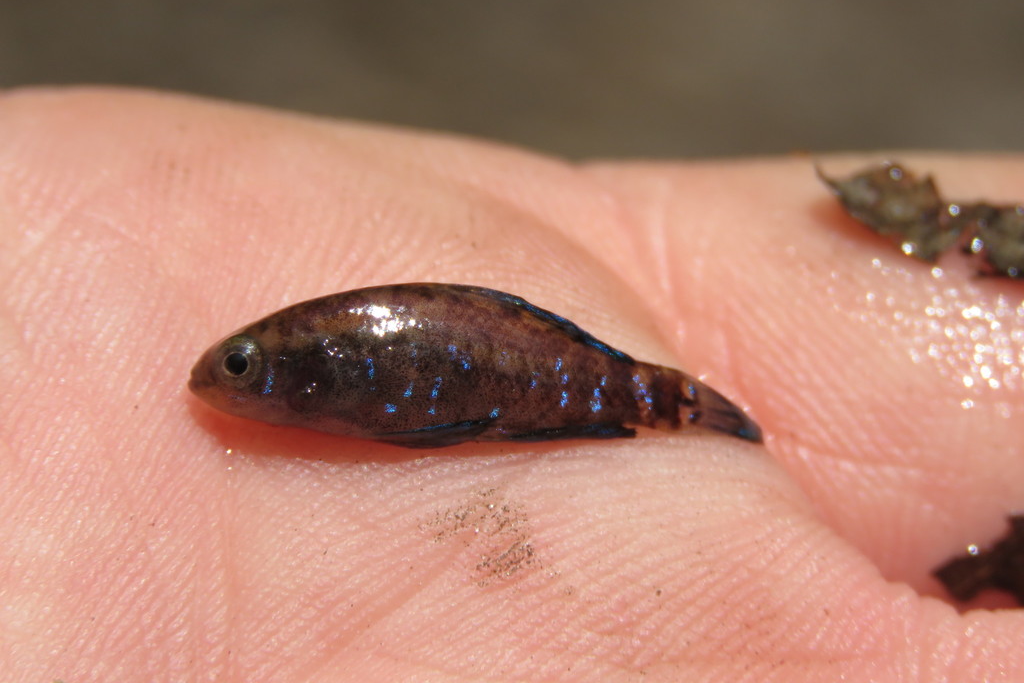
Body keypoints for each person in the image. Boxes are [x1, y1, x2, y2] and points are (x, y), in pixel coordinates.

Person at [2, 87, 1021, 681]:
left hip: (568, 388)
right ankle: (665, 407)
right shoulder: (294, 374)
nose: (224, 382)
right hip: (550, 389)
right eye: (238, 365)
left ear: (293, 372)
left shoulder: (308, 360)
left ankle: (671, 409)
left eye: (241, 368)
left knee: (616, 395)